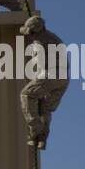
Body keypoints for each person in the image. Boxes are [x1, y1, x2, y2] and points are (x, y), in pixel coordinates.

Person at [17, 15, 68, 149]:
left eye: (31, 33)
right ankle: (42, 140)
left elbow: (39, 66)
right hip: (63, 79)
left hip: (51, 74)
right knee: (44, 108)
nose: (30, 36)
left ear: (38, 31)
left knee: (26, 95)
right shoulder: (53, 38)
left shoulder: (40, 43)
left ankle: (35, 130)